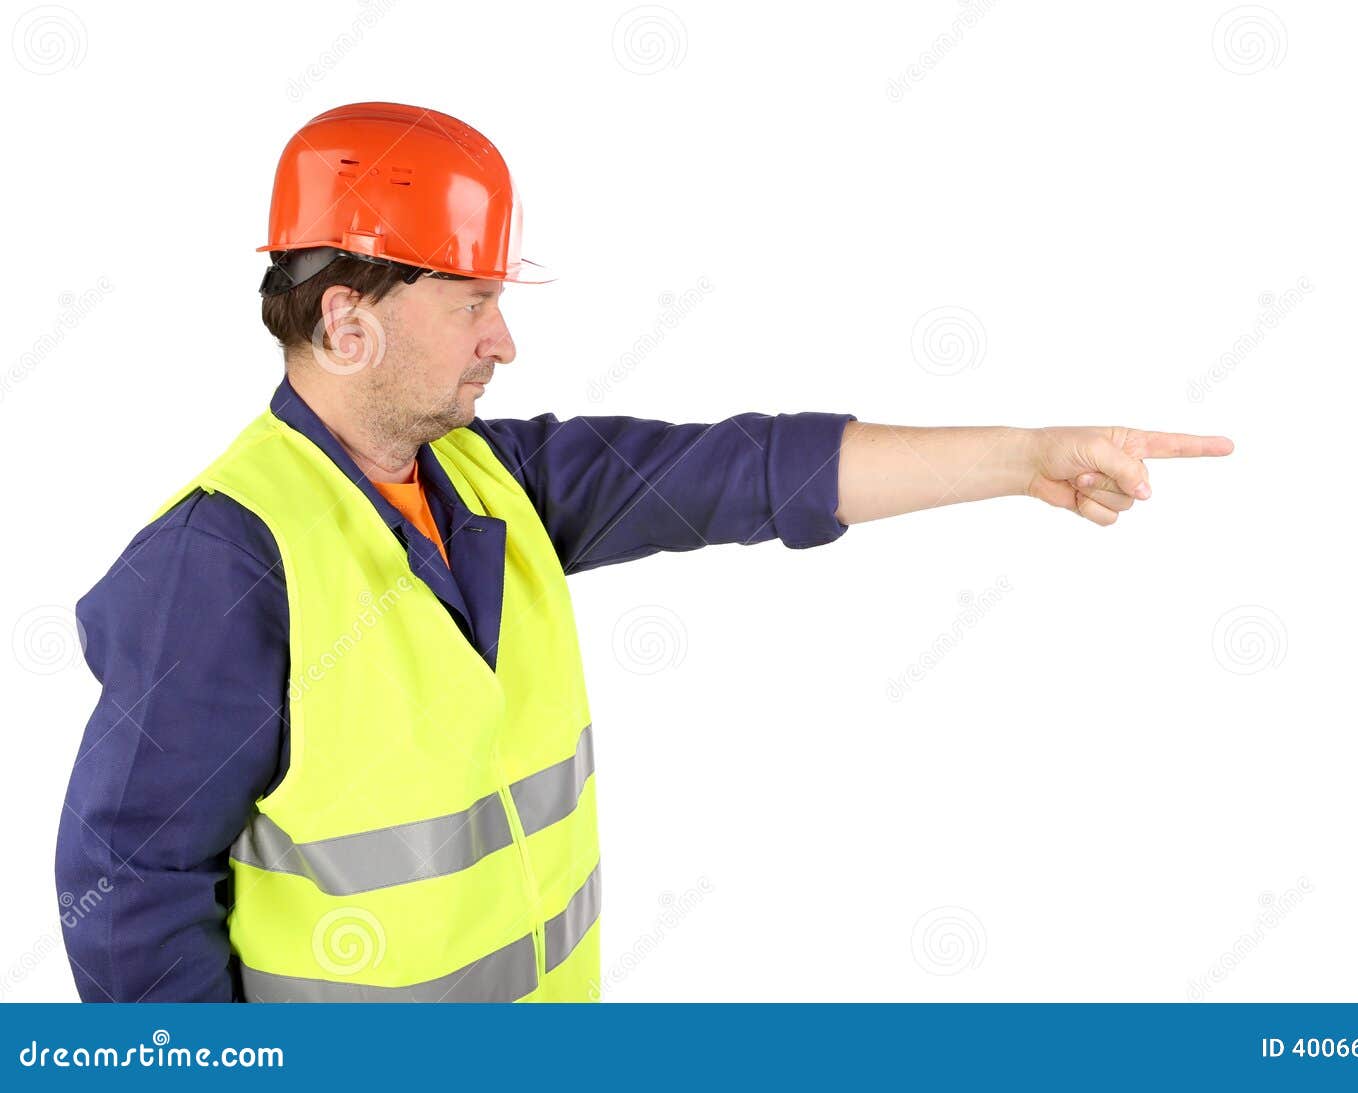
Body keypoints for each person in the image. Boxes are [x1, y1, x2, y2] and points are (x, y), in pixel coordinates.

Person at [55, 101, 1234, 1002]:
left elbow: (744, 470)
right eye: (471, 302)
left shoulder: (490, 481)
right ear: (347, 321)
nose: (504, 339)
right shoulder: (219, 558)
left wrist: (1023, 455)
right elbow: (126, 891)